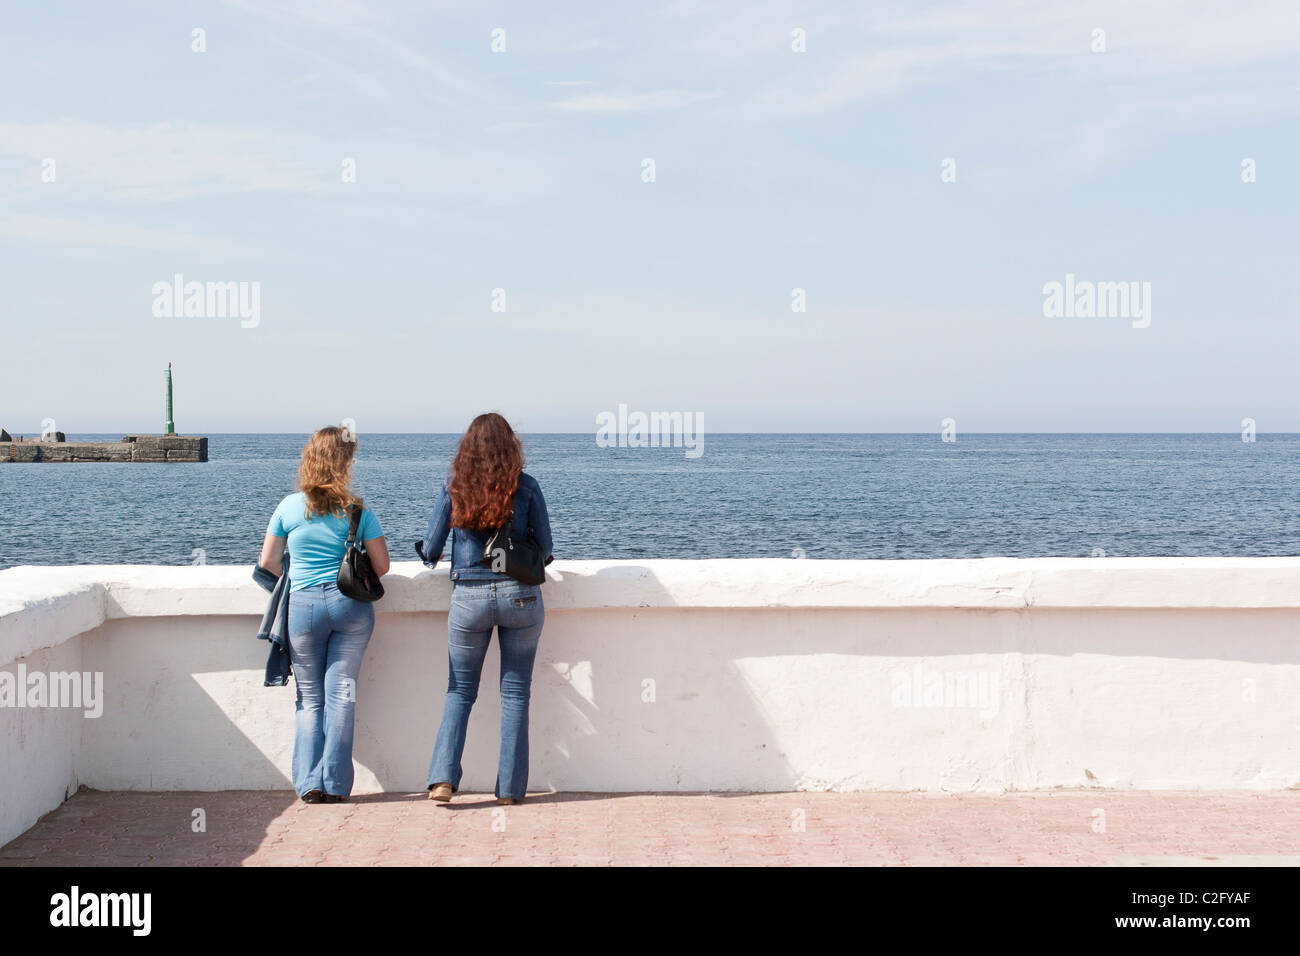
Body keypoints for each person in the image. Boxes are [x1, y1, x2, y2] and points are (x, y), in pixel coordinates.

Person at [417, 413, 553, 805]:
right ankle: (509, 790)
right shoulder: (526, 487)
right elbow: (544, 550)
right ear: (511, 446)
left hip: (469, 597)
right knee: (515, 692)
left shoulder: (454, 486)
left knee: (459, 690)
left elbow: (430, 550)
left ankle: (442, 780)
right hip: (520, 596)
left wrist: (440, 552)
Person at [259, 426, 389, 803]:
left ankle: (309, 785)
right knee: (342, 696)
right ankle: (335, 785)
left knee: (310, 699)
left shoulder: (288, 506)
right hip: (350, 607)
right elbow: (382, 566)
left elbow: (268, 563)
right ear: (346, 463)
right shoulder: (358, 510)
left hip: (303, 608)